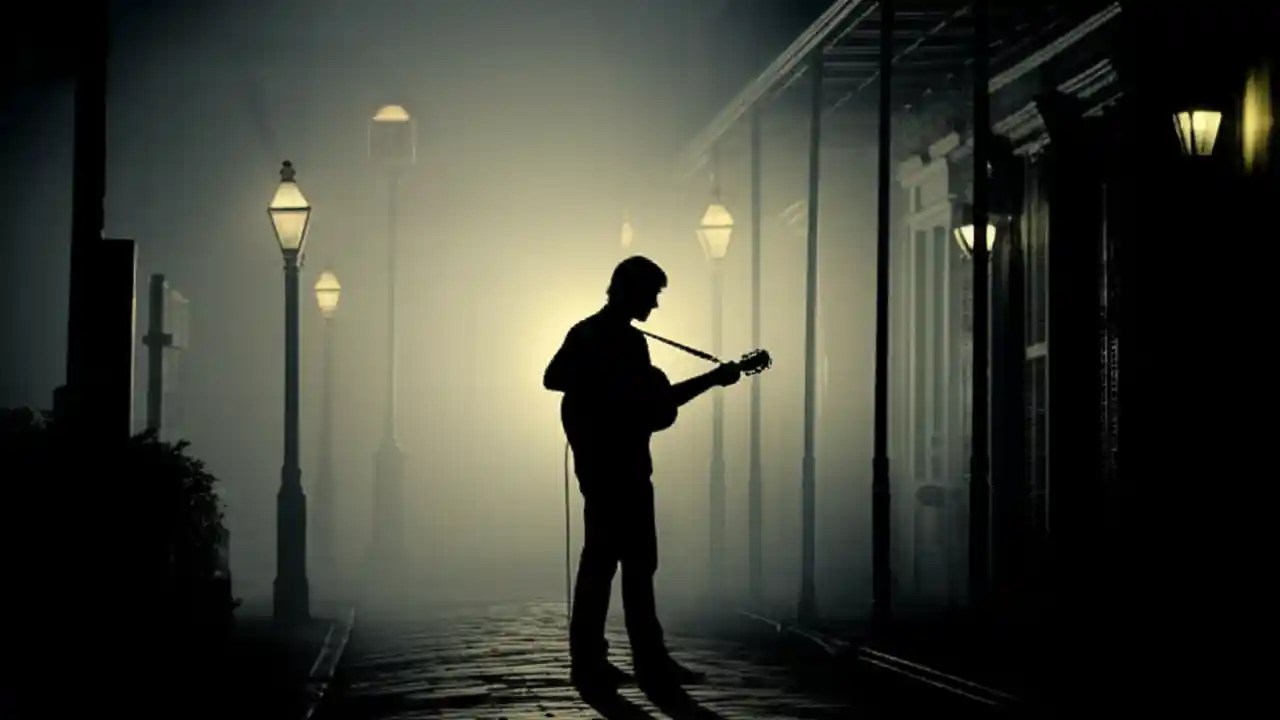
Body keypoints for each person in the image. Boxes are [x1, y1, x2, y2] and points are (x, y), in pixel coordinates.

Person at [543, 255, 741, 688]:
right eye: (651, 294)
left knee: (631, 564)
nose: (653, 305)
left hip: (626, 467)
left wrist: (711, 380)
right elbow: (553, 378)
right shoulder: (592, 335)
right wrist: (611, 389)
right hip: (610, 470)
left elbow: (651, 406)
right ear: (628, 291)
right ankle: (610, 660)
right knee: (609, 563)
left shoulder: (630, 342)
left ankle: (623, 659)